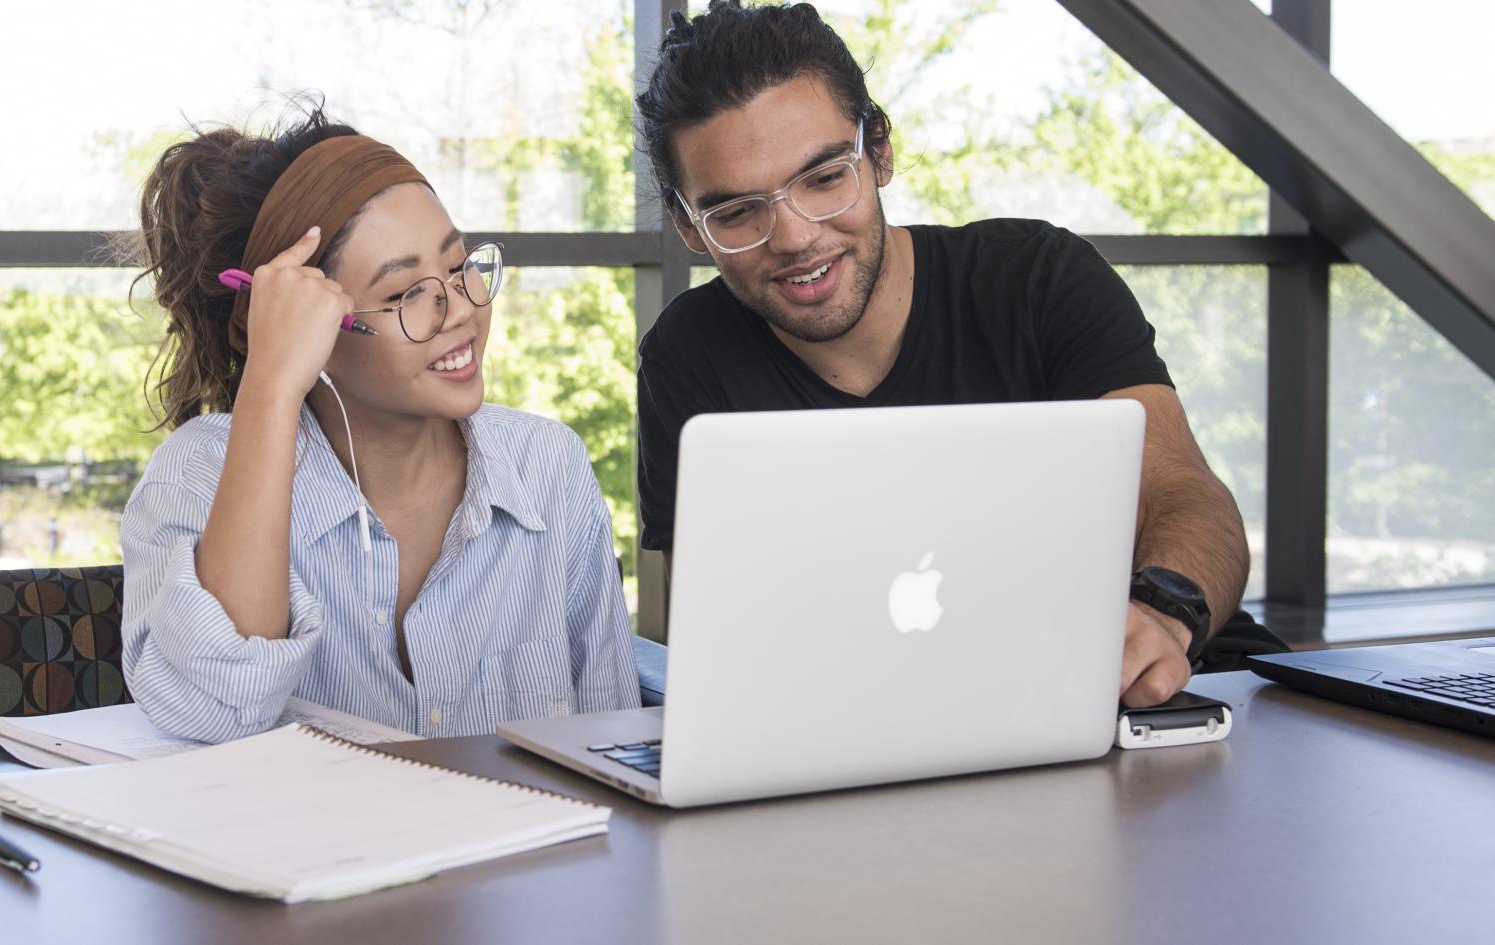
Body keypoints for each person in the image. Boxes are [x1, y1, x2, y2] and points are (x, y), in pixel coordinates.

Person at [635, 2, 1255, 708]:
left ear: (879, 152)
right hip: (886, 723)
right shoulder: (688, 355)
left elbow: (1186, 495)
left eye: (825, 178)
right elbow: (726, 638)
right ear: (689, 226)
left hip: (1162, 692)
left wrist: (1164, 615)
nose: (797, 237)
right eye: (737, 213)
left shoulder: (1040, 279)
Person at [119, 106, 639, 743]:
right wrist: (271, 382)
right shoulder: (200, 472)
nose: (459, 311)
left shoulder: (547, 464)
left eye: (458, 267)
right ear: (312, 325)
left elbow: (612, 735)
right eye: (404, 294)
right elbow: (213, 712)